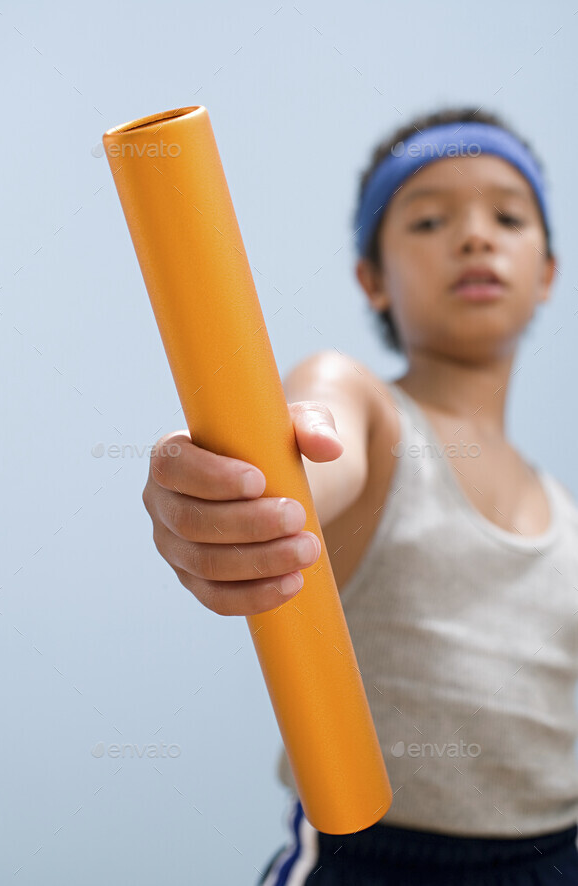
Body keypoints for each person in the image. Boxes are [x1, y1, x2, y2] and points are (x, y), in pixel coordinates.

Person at [141, 106, 578, 884]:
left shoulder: (567, 514)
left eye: (508, 216)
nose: (475, 236)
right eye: (430, 219)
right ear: (371, 279)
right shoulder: (365, 407)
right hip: (372, 857)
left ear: (547, 272)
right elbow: (304, 457)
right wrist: (246, 496)